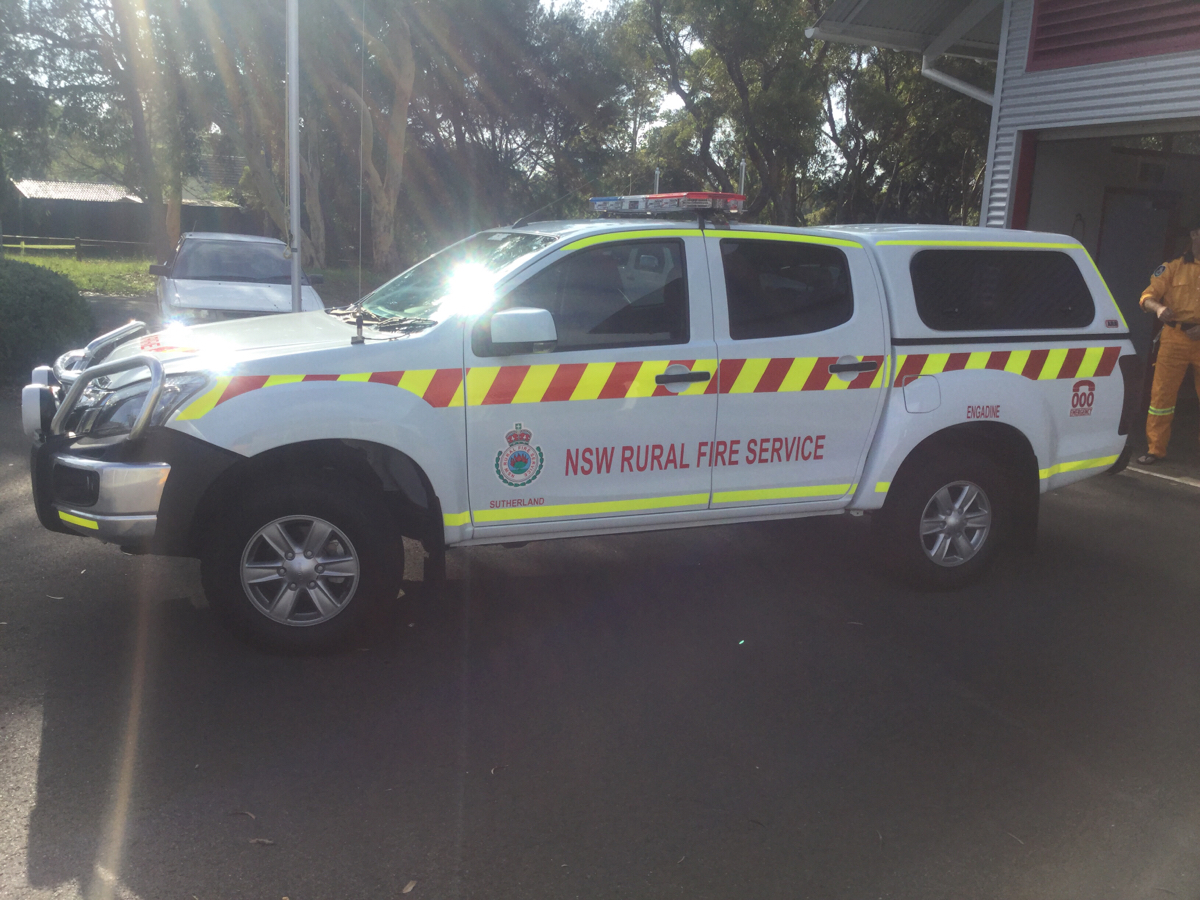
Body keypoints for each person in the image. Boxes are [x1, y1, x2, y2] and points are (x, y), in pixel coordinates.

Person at [1138, 219, 1200, 465]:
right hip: (1174, 338)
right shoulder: (1172, 267)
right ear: (1194, 234)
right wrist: (1159, 308)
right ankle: (1155, 449)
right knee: (1161, 398)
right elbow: (1146, 297)